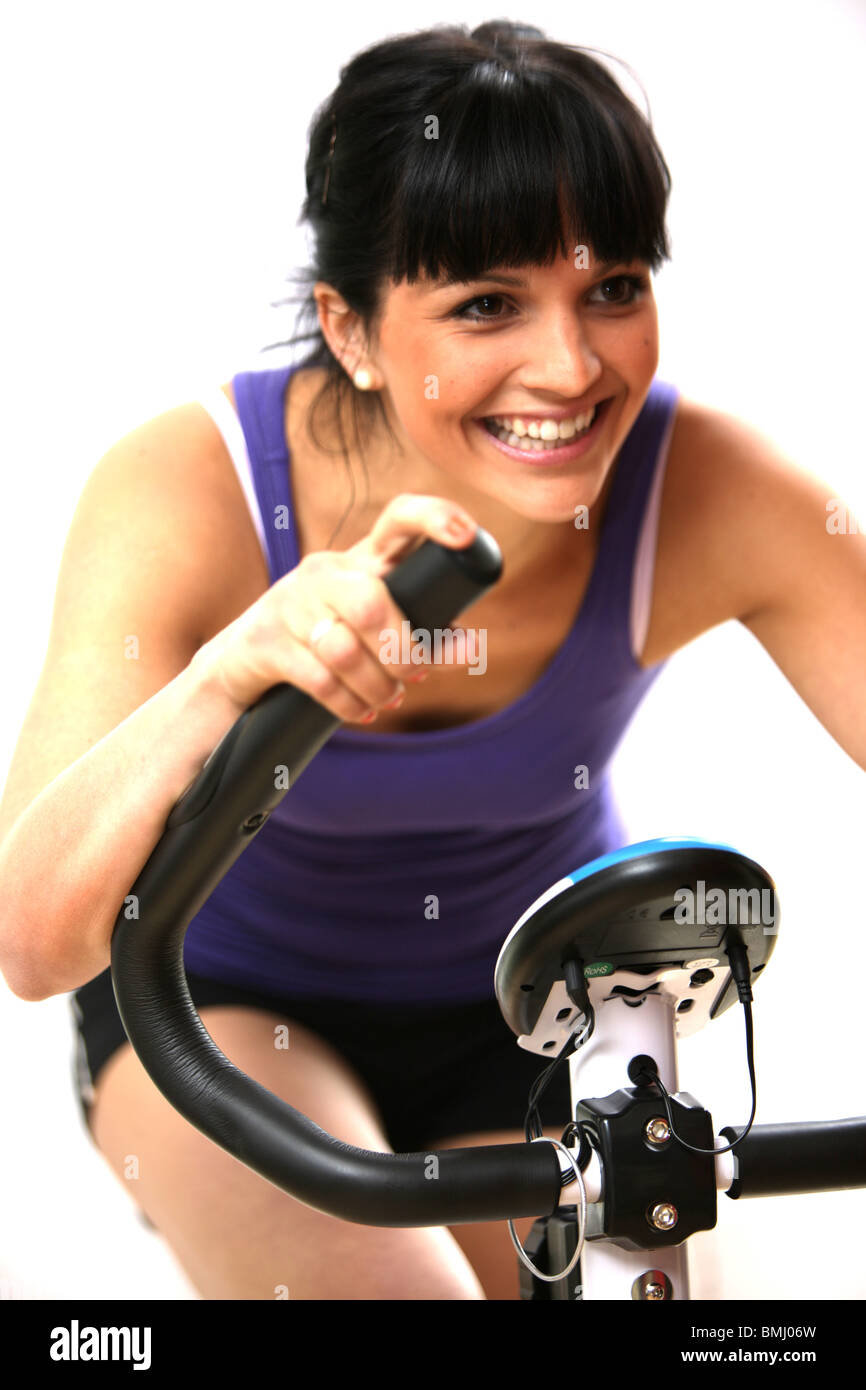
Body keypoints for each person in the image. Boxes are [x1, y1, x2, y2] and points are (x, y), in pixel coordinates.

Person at [0, 20, 863, 1302]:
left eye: (612, 287)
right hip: (219, 1004)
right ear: (350, 329)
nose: (570, 368)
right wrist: (233, 668)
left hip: (537, 998)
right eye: (483, 305)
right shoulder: (187, 487)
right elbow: (32, 939)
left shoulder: (716, 490)